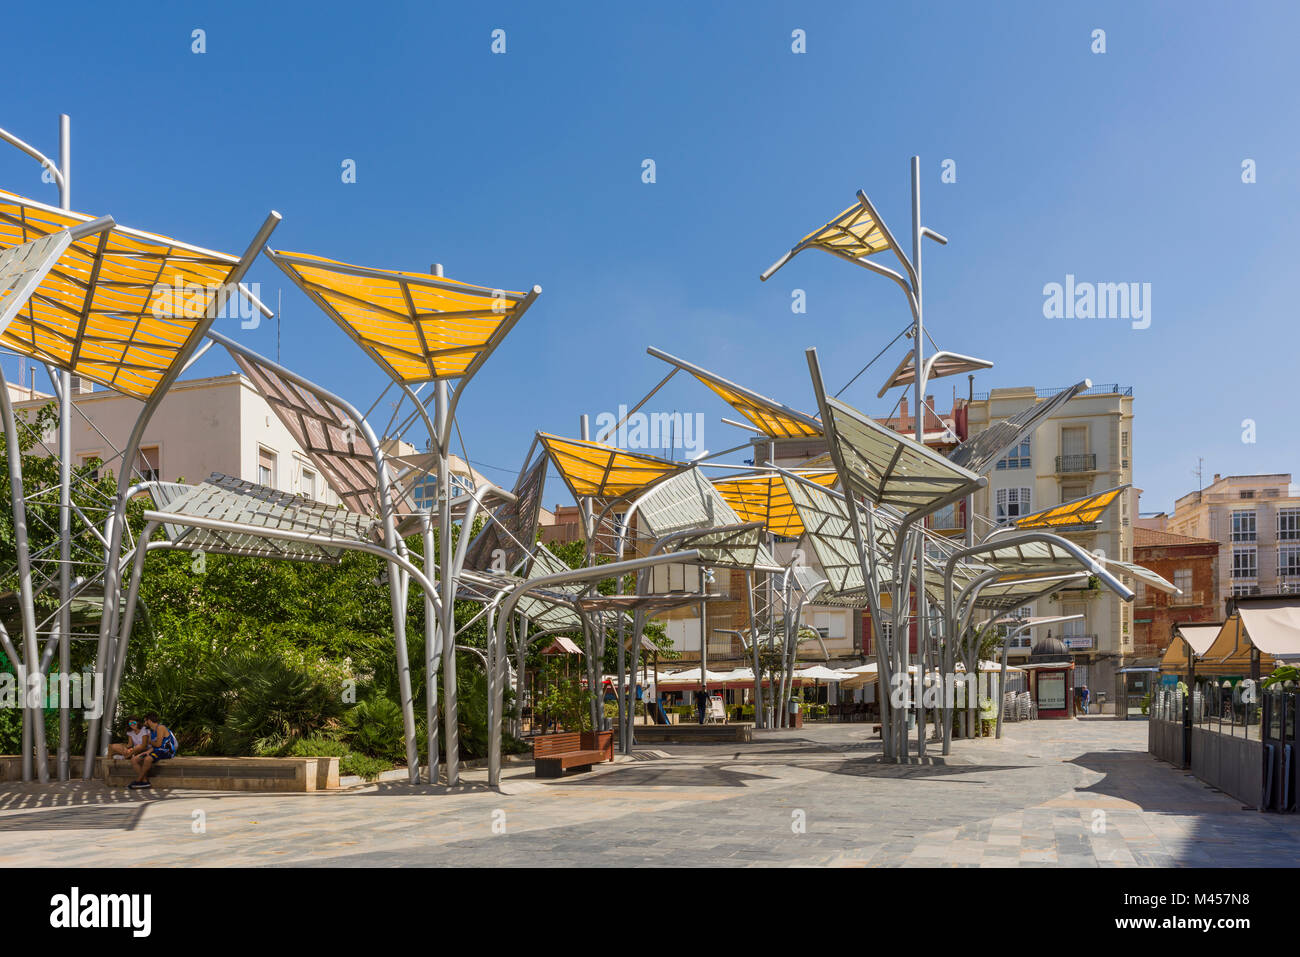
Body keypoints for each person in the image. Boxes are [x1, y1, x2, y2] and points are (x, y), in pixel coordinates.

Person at [128, 713, 178, 789]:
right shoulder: (151, 731)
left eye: (145, 721)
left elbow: (158, 744)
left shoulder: (160, 727)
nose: (144, 723)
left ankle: (138, 781)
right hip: (156, 751)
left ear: (149, 721)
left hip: (166, 751)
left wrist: (149, 742)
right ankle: (145, 782)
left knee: (148, 759)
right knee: (134, 760)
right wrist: (147, 751)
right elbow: (154, 746)